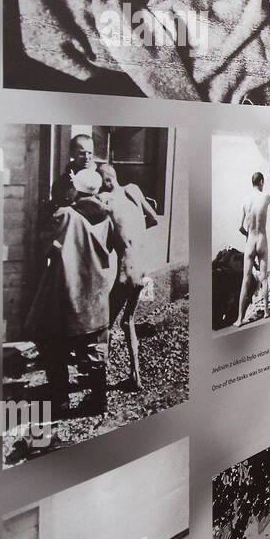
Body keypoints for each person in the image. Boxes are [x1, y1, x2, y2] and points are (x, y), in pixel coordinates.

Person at [26, 168, 116, 419]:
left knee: (53, 345)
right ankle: (98, 400)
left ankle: (61, 400)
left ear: (75, 190)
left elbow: (45, 250)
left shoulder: (64, 215)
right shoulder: (108, 214)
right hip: (96, 294)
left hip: (69, 293)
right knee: (95, 349)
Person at [97, 163, 160, 390]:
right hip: (142, 270)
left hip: (125, 272)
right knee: (128, 321)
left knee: (104, 326)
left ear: (106, 181)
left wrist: (119, 244)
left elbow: (101, 244)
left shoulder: (106, 201)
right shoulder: (132, 189)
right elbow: (153, 218)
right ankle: (136, 377)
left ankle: (98, 380)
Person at [237, 172, 270, 326]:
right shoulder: (265, 197)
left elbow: (240, 227)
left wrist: (248, 235)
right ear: (261, 182)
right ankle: (266, 311)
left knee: (245, 279)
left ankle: (239, 319)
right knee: (264, 276)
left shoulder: (245, 201)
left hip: (250, 241)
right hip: (261, 239)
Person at [49, 133, 96, 209]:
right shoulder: (63, 182)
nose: (87, 157)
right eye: (82, 153)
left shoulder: (100, 177)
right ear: (72, 154)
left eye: (89, 153)